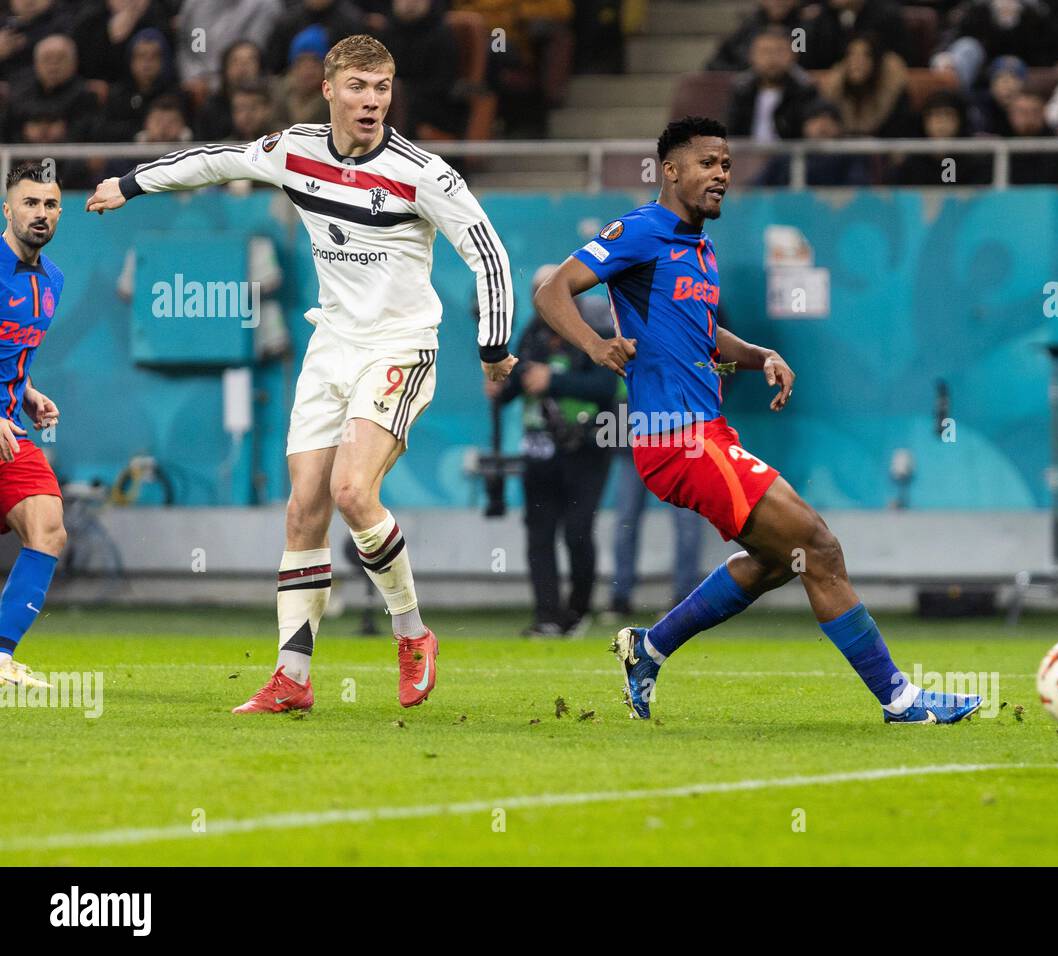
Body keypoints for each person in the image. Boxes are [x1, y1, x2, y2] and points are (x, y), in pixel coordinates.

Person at [86, 34, 517, 712]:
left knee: (352, 490)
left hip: (399, 345)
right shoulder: (296, 149)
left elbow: (487, 255)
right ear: (328, 89)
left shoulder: (423, 173)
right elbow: (217, 158)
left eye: (381, 89)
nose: (371, 101)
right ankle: (292, 676)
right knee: (302, 510)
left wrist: (493, 349)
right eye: (357, 88)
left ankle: (412, 633)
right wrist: (131, 183)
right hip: (331, 344)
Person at [534, 116, 981, 725]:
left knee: (782, 559)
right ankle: (901, 700)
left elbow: (701, 333)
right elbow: (552, 292)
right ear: (670, 170)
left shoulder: (700, 248)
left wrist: (758, 355)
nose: (721, 174)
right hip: (679, 442)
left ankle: (649, 648)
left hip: (706, 434)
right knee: (819, 545)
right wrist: (595, 346)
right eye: (707, 163)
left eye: (726, 164)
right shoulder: (639, 231)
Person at [487, 265, 619, 637]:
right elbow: (519, 382)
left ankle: (577, 612)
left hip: (586, 446)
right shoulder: (531, 335)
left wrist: (554, 381)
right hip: (539, 449)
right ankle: (547, 615)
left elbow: (606, 385)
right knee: (539, 534)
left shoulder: (593, 327)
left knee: (578, 531)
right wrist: (503, 387)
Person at [0, 162, 67, 690]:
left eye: (49, 205)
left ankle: (0, 656)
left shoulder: (54, 281)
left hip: (7, 431)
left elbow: (11, 355)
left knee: (48, 526)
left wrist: (25, 392)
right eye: (29, 203)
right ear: (8, 209)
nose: (39, 214)